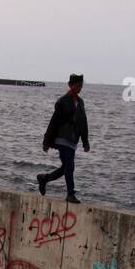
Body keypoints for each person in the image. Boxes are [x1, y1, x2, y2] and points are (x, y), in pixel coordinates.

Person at [37, 73, 90, 204]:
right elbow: (54, 121)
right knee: (69, 167)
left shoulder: (81, 102)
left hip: (73, 140)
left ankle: (44, 178)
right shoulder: (63, 101)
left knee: (66, 167)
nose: (79, 88)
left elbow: (83, 122)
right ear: (70, 85)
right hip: (62, 138)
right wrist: (46, 141)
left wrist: (85, 141)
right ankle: (70, 194)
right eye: (77, 86)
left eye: (81, 86)